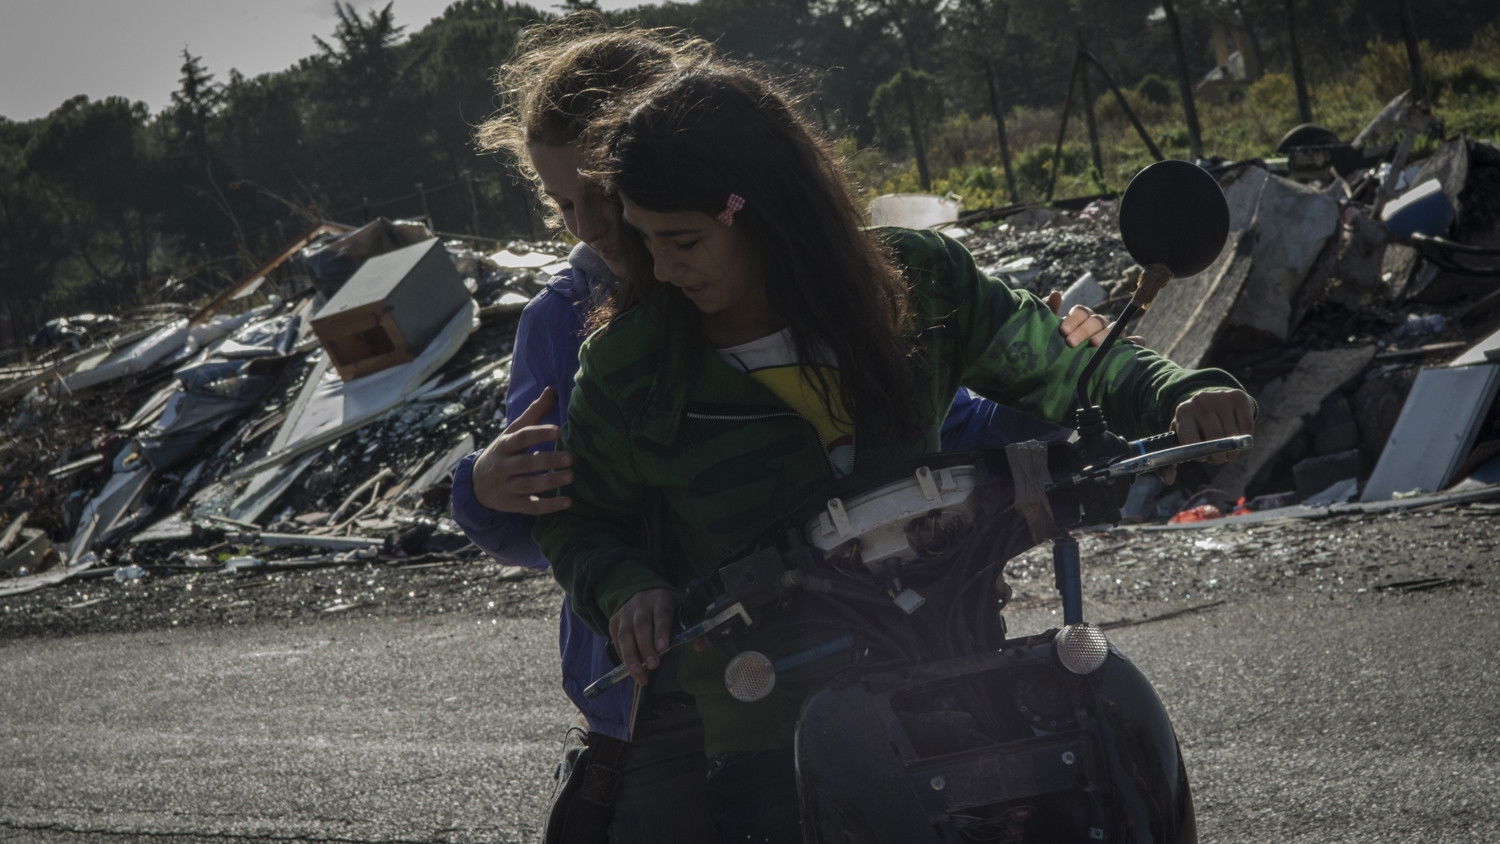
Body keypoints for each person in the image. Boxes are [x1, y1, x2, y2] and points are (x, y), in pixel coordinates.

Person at [533, 64, 1254, 843]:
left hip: (957, 671)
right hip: (769, 726)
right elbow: (580, 521)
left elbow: (1068, 356)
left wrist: (1181, 393)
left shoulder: (920, 282)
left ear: (763, 213)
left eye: (684, 241)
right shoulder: (627, 367)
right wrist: (626, 585)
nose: (664, 268)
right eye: (646, 242)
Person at [452, 17, 1115, 841]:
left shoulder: (828, 283)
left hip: (861, 638)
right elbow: (565, 517)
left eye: (604, 192)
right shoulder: (569, 331)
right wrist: (482, 494)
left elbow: (915, 435)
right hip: (655, 687)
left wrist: (1048, 390)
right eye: (566, 206)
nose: (592, 223)